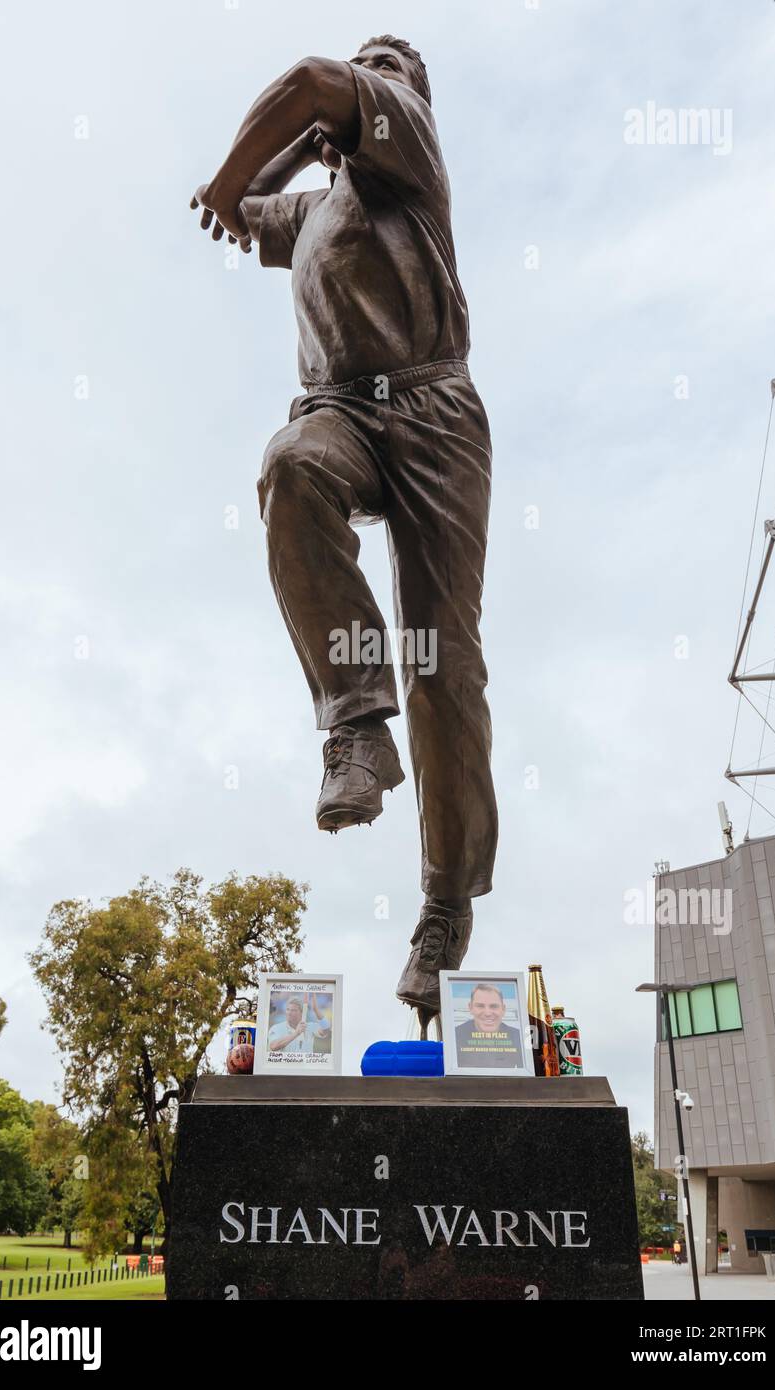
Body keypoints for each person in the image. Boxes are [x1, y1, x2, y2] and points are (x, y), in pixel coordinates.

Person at [191, 36, 498, 1029]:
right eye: (380, 62)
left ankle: (443, 902)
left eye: (393, 61)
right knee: (289, 464)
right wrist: (281, 166)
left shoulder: (404, 133)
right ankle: (355, 732)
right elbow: (237, 218)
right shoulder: (319, 206)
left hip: (431, 415)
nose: (383, 70)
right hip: (341, 410)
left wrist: (255, 153)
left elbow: (314, 82)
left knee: (441, 665)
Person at [454, 984, 524, 1069]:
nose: (487, 1013)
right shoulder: (455, 1037)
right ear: (470, 1008)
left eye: (494, 1006)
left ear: (503, 1009)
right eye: (480, 1006)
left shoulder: (518, 1038)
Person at [267, 992, 332, 1055]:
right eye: (288, 1009)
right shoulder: (276, 1028)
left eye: (293, 1010)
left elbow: (326, 1030)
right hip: (285, 1065)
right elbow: (273, 1047)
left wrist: (316, 1010)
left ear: (301, 1013)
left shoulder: (309, 1026)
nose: (289, 1013)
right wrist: (296, 1033)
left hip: (306, 1065)